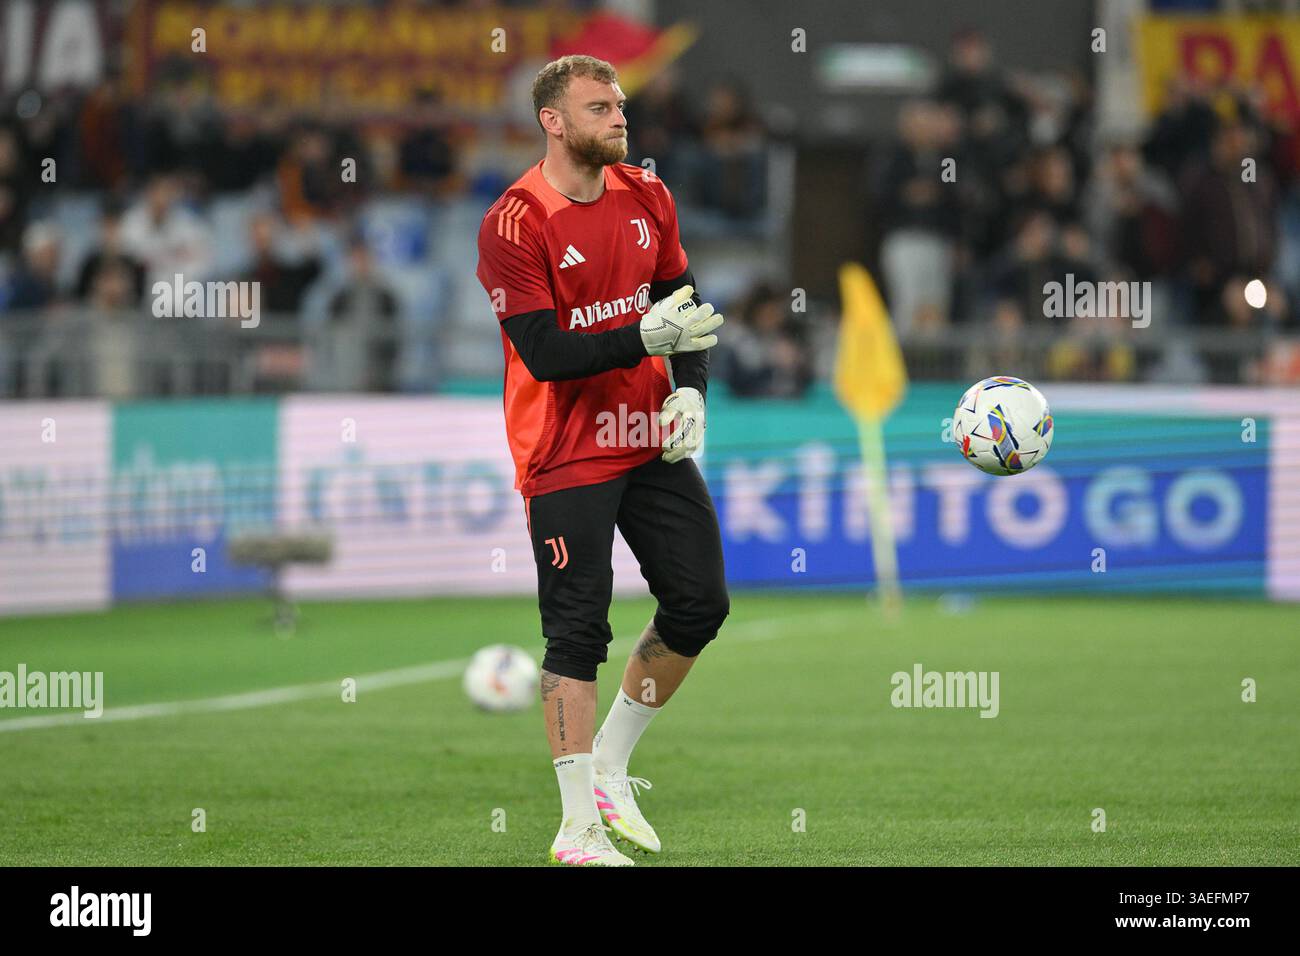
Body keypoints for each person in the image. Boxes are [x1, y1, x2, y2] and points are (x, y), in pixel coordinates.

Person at [475, 55, 730, 867]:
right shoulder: (515, 221)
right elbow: (545, 352)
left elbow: (684, 308)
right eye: (599, 108)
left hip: (645, 434)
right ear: (554, 121)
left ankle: (612, 765)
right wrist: (641, 337)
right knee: (577, 632)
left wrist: (688, 389)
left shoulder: (648, 195)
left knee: (700, 603)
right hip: (564, 448)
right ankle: (575, 830)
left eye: (619, 105)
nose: (620, 118)